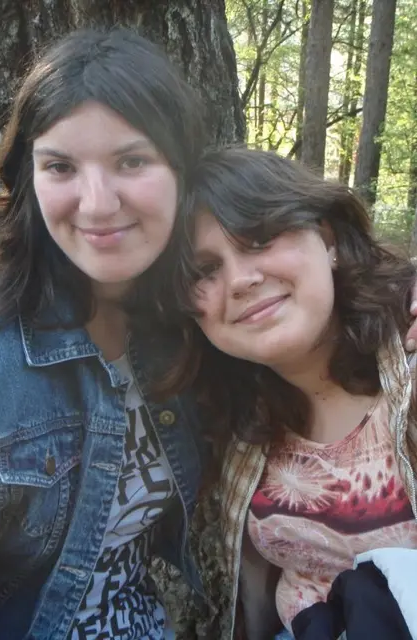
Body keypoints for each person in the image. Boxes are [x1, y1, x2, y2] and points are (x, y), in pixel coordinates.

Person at [0, 27, 209, 640]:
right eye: (60, 166)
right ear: (28, 180)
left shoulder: (202, 325)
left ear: (182, 170)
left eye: (132, 161)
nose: (97, 204)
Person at [163, 147, 417, 639]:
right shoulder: (223, 415)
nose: (241, 280)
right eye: (203, 271)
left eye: (260, 239)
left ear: (328, 238)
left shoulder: (407, 360)